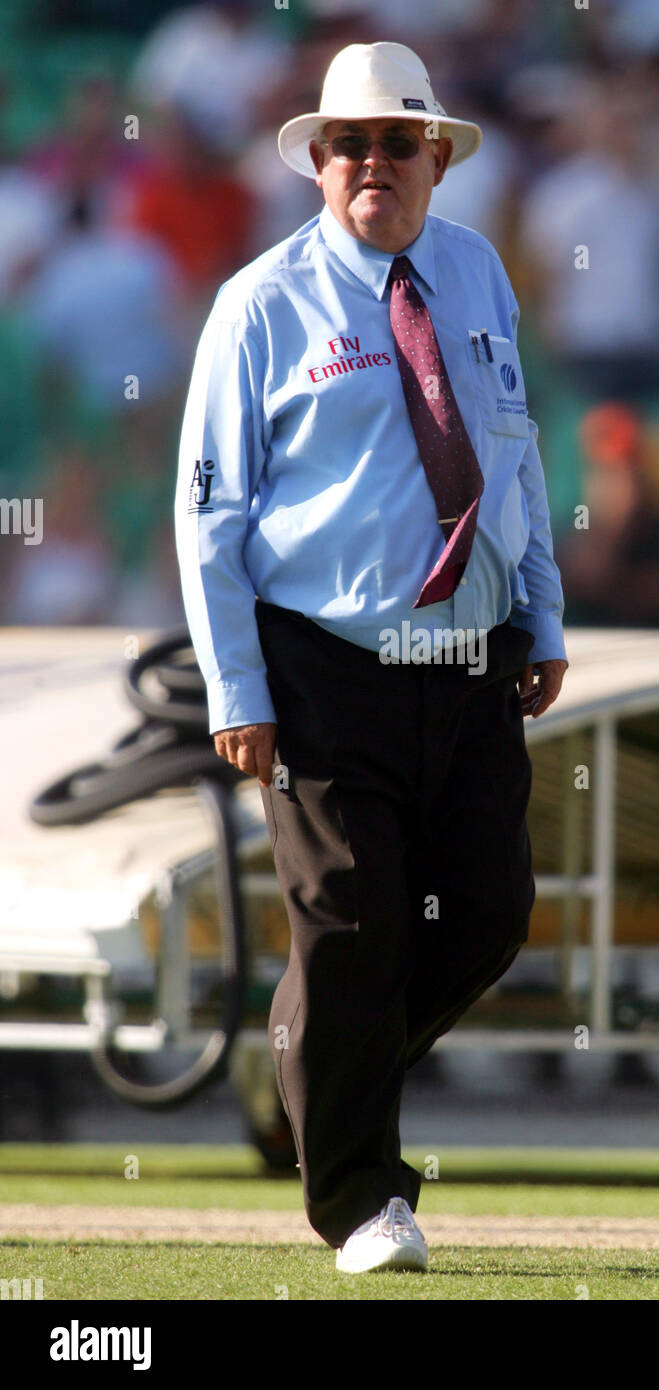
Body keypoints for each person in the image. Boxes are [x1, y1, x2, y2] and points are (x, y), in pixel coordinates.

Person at [174, 41, 568, 1274]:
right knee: (350, 926)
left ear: (436, 157)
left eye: (398, 142)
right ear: (316, 160)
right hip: (324, 662)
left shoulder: (476, 271)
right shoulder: (258, 302)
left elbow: (514, 454)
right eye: (349, 142)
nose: (372, 163)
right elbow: (208, 515)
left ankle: (307, 1055)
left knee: (489, 913)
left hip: (467, 659)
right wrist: (238, 691)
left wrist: (542, 615)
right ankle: (359, 1200)